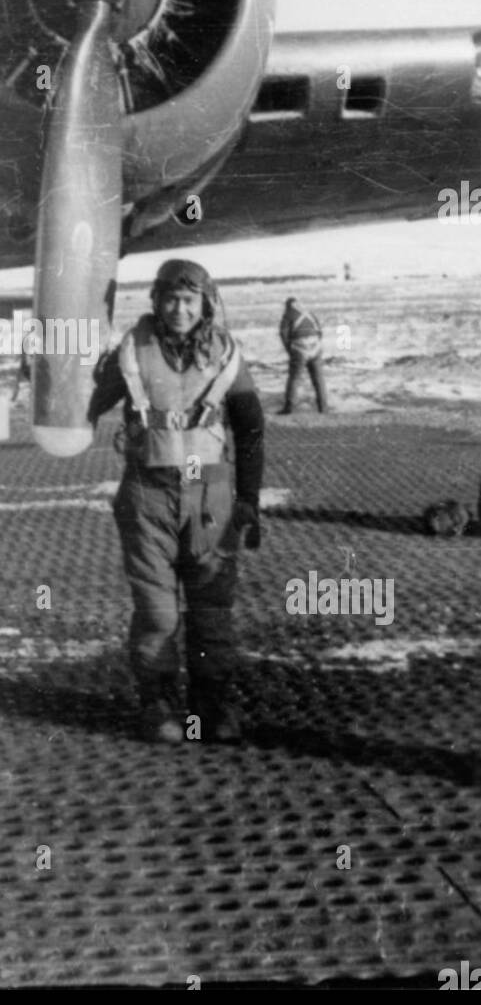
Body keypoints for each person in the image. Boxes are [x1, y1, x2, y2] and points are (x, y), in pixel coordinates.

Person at [88, 259, 264, 745]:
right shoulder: (131, 351)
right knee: (157, 612)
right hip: (148, 495)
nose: (179, 309)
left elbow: (250, 428)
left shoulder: (227, 354)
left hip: (211, 497)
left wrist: (249, 499)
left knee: (210, 612)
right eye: (170, 299)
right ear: (156, 301)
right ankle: (159, 702)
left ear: (205, 303)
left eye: (190, 300)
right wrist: (57, 365)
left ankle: (211, 703)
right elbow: (85, 404)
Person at [278, 297, 327, 414]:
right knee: (318, 379)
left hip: (300, 349)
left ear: (288, 305)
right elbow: (320, 332)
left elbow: (283, 333)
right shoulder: (309, 314)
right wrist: (316, 346)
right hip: (316, 347)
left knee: (294, 378)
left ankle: (289, 408)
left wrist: (290, 350)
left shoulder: (288, 314)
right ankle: (323, 408)